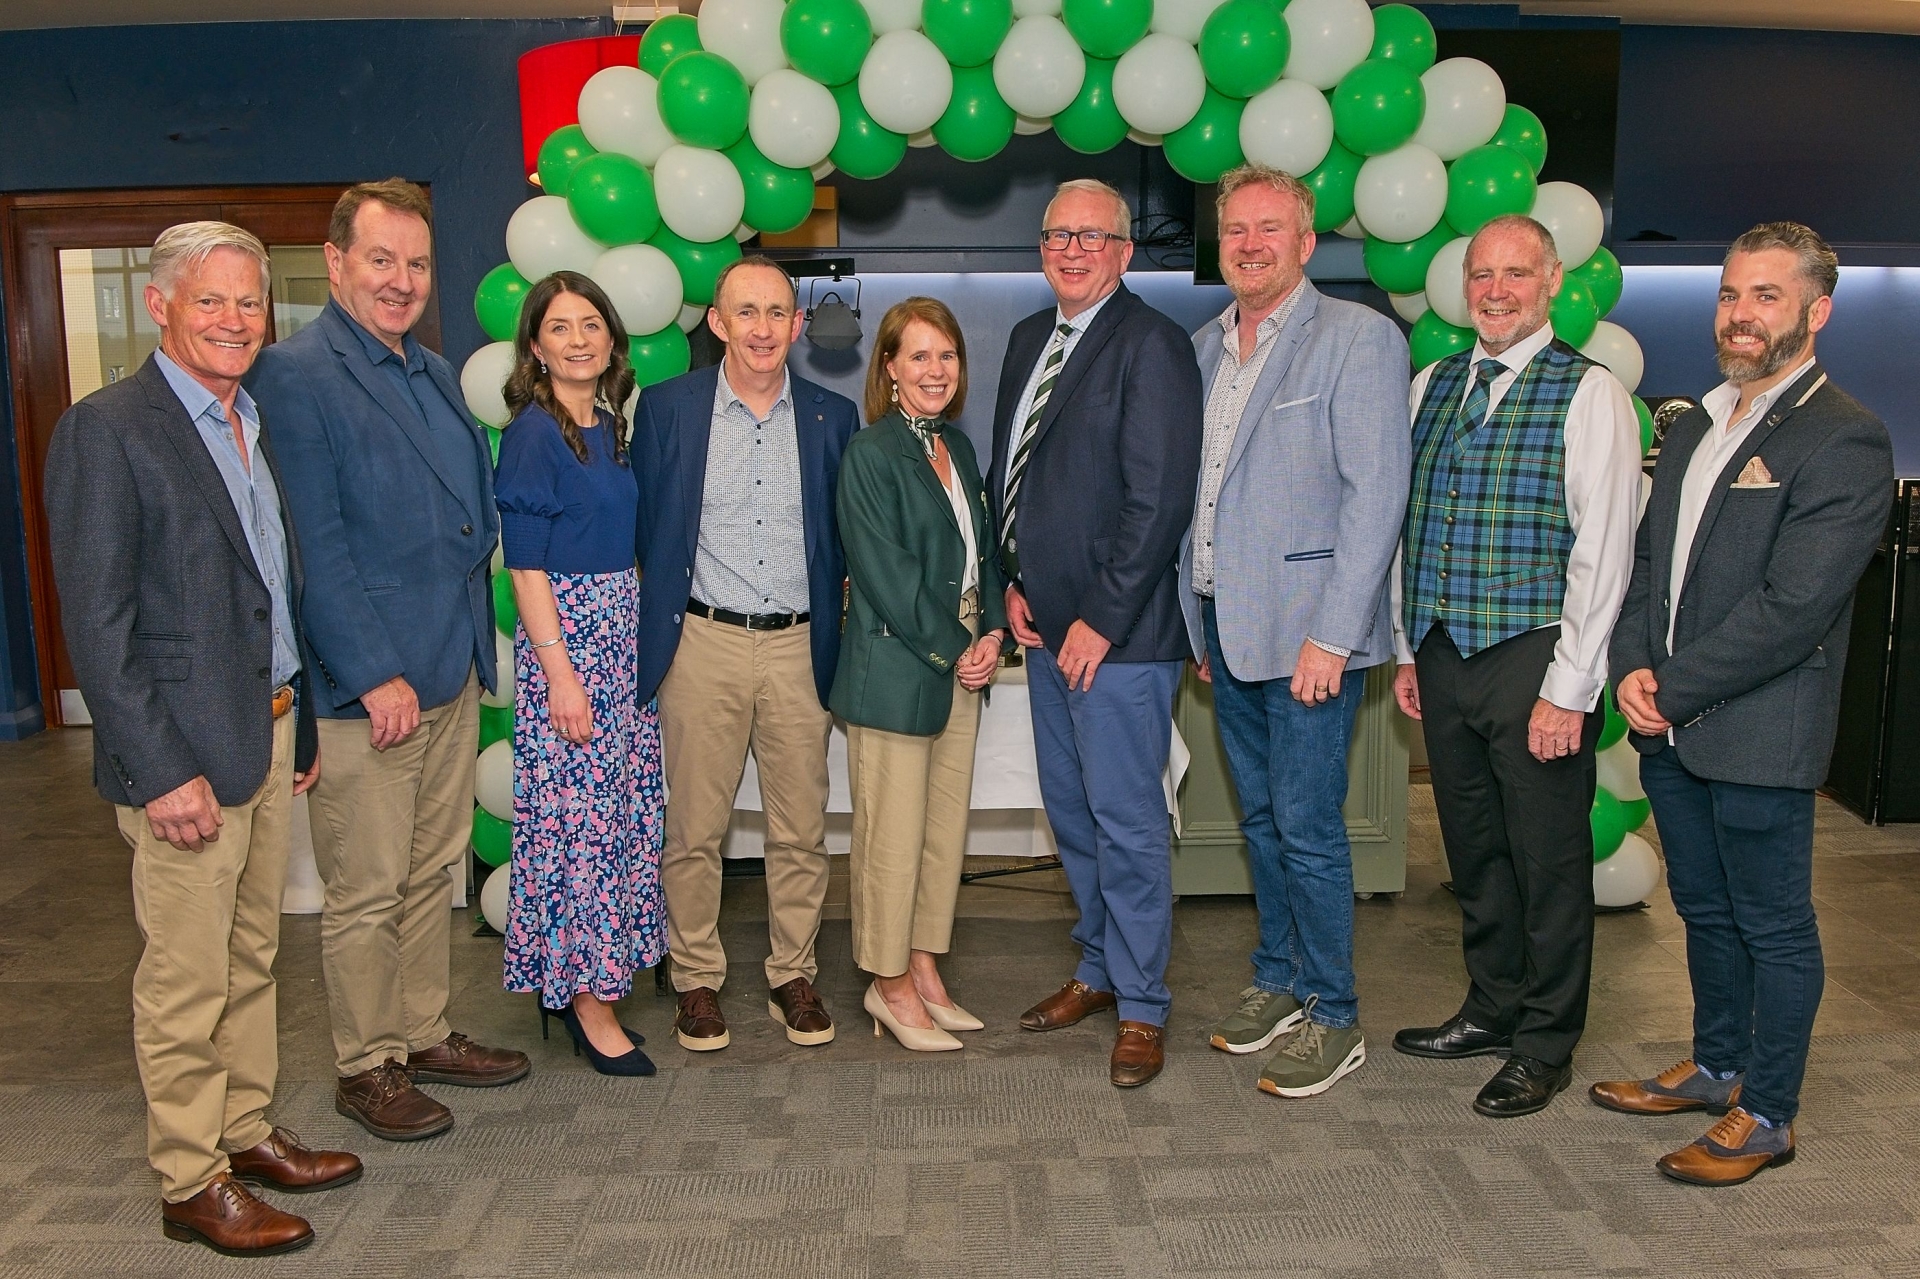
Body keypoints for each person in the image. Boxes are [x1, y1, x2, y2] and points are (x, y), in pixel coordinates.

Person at [45, 222, 360, 1257]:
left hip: (264, 735)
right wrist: (157, 765)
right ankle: (190, 1176)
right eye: (211, 300)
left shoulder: (247, 421)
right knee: (186, 974)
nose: (234, 320)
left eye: (250, 302)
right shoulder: (112, 428)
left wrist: (300, 713)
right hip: (183, 755)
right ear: (160, 307)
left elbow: (270, 590)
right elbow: (98, 624)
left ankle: (242, 1128)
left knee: (254, 954)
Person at [1593, 223, 1894, 1185]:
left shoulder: (1845, 435)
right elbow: (1650, 564)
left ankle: (1768, 1111)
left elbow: (1794, 607)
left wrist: (1671, 685)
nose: (1741, 313)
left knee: (1773, 923)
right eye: (1731, 293)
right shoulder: (1694, 422)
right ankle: (1717, 1066)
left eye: (1766, 295)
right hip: (1672, 723)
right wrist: (1632, 664)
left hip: (1761, 728)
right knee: (1707, 912)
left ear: (1817, 310)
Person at [251, 179, 529, 1143]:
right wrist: (371, 671)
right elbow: (311, 543)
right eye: (381, 260)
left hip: (448, 666)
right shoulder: (294, 374)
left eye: (415, 263)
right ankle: (365, 1065)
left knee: (428, 870)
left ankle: (418, 1029)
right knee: (366, 886)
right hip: (372, 687)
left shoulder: (433, 370)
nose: (401, 281)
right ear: (335, 263)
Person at [1389, 214, 1642, 1118]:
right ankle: (1491, 1006)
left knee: (1548, 858)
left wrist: (1570, 688)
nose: (1496, 290)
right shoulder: (1432, 385)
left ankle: (1545, 1040)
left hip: (1536, 654)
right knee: (1476, 850)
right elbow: (1409, 525)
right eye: (1481, 274)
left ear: (1552, 280)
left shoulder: (1589, 394)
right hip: (1444, 650)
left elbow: (1603, 553)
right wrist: (1403, 643)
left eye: (1515, 274)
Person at [1180, 165, 1411, 1097]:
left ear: (1306, 244)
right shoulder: (1203, 348)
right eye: (1235, 229)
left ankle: (1336, 1011)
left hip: (1309, 636)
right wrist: (1195, 613)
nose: (1249, 243)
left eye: (1269, 229)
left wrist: (1334, 634)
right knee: (1265, 819)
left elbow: (1376, 495)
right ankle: (1278, 978)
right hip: (1228, 630)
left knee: (1311, 827)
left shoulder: (1358, 340)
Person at [989, 179, 1204, 1088]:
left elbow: (1158, 502)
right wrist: (1011, 582)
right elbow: (1020, 474)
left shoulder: (1151, 345)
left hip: (1117, 640)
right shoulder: (1028, 339)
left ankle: (1145, 1005)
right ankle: (1099, 967)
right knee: (1071, 812)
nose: (1072, 249)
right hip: (1042, 628)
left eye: (1094, 236)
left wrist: (1098, 620)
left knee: (1127, 822)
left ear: (1125, 250)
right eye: (1057, 235)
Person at [631, 255, 859, 1052]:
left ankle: (792, 971)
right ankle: (695, 978)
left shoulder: (834, 416)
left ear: (797, 326)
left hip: (801, 644)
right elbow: (644, 530)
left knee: (800, 826)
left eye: (777, 313)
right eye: (746, 313)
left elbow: (848, 540)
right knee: (694, 827)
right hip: (701, 641)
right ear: (718, 322)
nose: (763, 329)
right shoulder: (666, 411)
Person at [493, 272, 664, 1076]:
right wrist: (561, 673)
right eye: (558, 327)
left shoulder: (610, 425)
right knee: (581, 828)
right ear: (535, 346)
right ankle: (588, 1001)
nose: (577, 339)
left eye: (590, 323)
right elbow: (525, 569)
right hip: (569, 642)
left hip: (619, 632)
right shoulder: (533, 431)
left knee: (616, 816)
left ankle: (592, 980)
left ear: (611, 338)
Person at [832, 298, 1009, 1052]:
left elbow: (986, 550)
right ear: (890, 370)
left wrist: (994, 628)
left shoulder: (957, 451)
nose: (936, 370)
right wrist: (956, 645)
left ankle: (926, 966)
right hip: (900, 666)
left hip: (962, 656)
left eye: (948, 356)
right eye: (920, 357)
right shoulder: (872, 455)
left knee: (943, 833)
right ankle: (888, 981)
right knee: (891, 839)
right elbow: (888, 576)